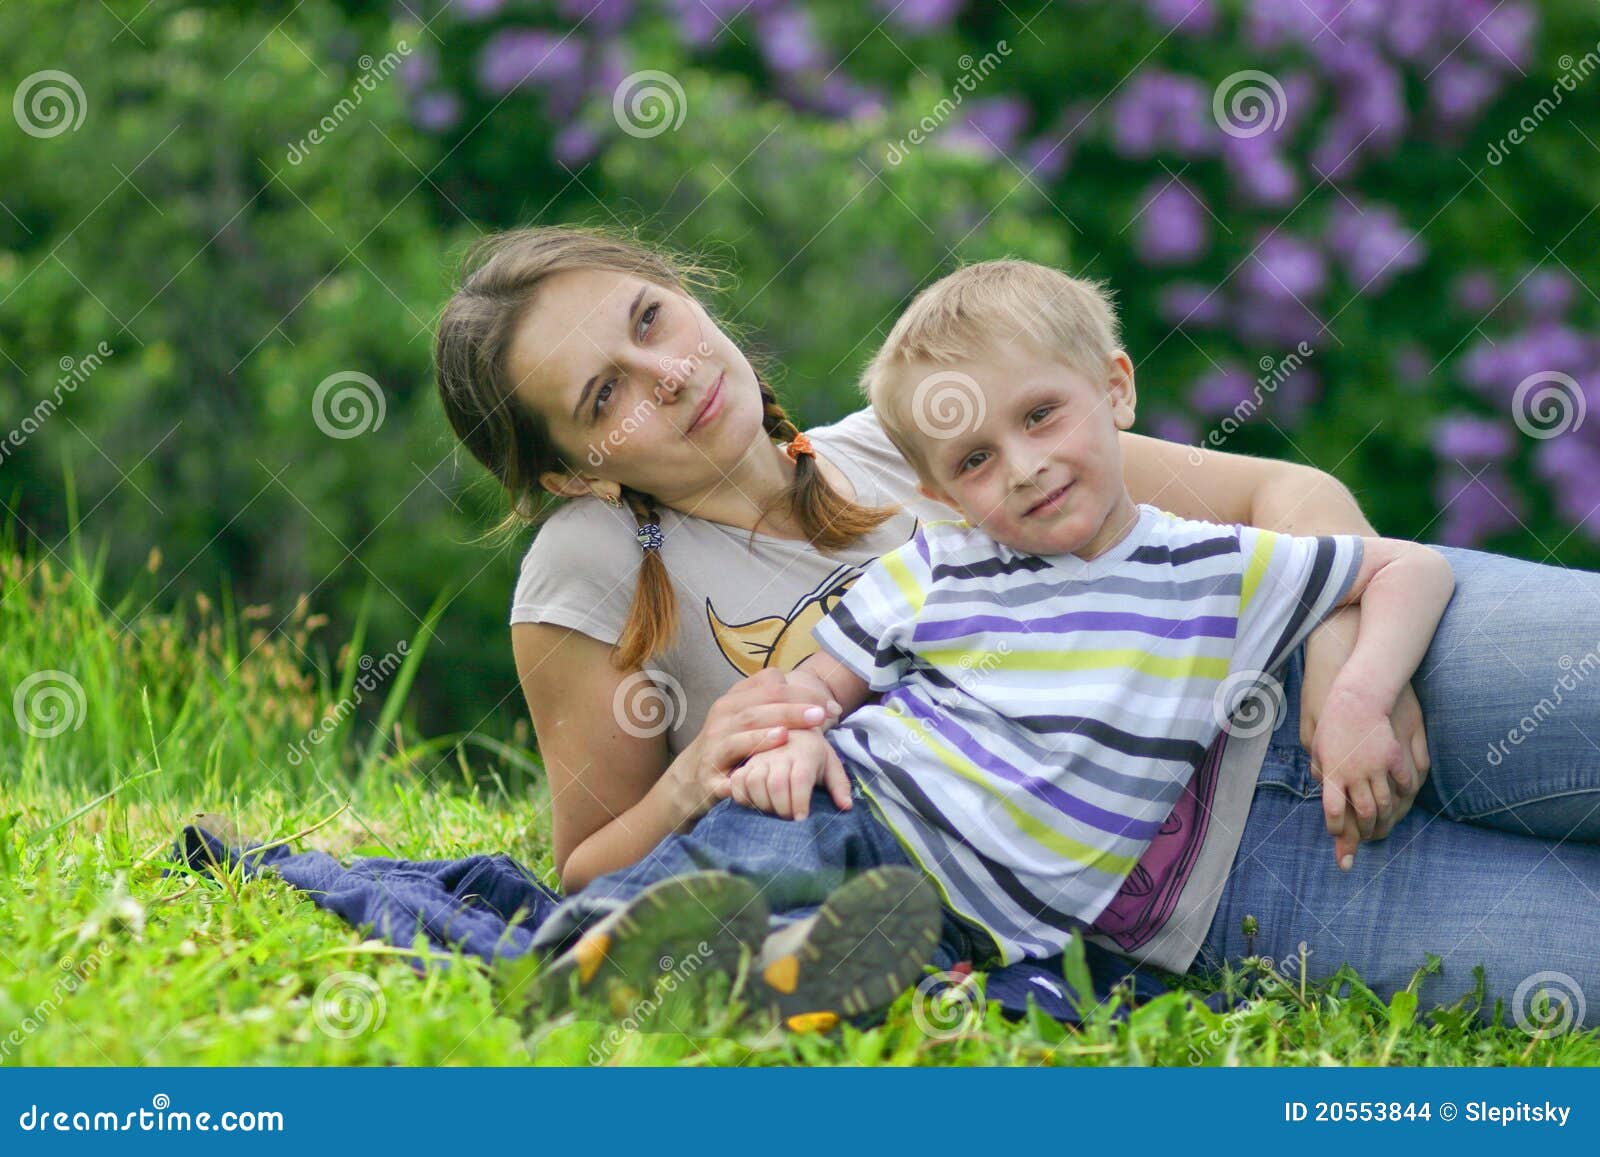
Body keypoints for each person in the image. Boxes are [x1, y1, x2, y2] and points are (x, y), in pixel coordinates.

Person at [435, 225, 1600, 1032]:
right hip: (1228, 877)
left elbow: (1276, 496)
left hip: (1315, 675)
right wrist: (695, 772)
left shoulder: (917, 434)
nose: (667, 370)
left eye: (650, 317)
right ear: (573, 473)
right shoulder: (587, 571)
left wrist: (1348, 665)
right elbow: (587, 867)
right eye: (604, 396)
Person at [731, 259, 1455, 969]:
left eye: (1040, 416)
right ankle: (654, 940)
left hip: (996, 907)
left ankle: (783, 966)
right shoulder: (935, 569)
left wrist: (1358, 694)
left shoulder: (1208, 563)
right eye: (975, 459)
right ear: (944, 495)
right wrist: (793, 739)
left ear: (1116, 389)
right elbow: (820, 687)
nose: (1022, 467)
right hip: (862, 811)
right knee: (760, 868)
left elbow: (1412, 566)